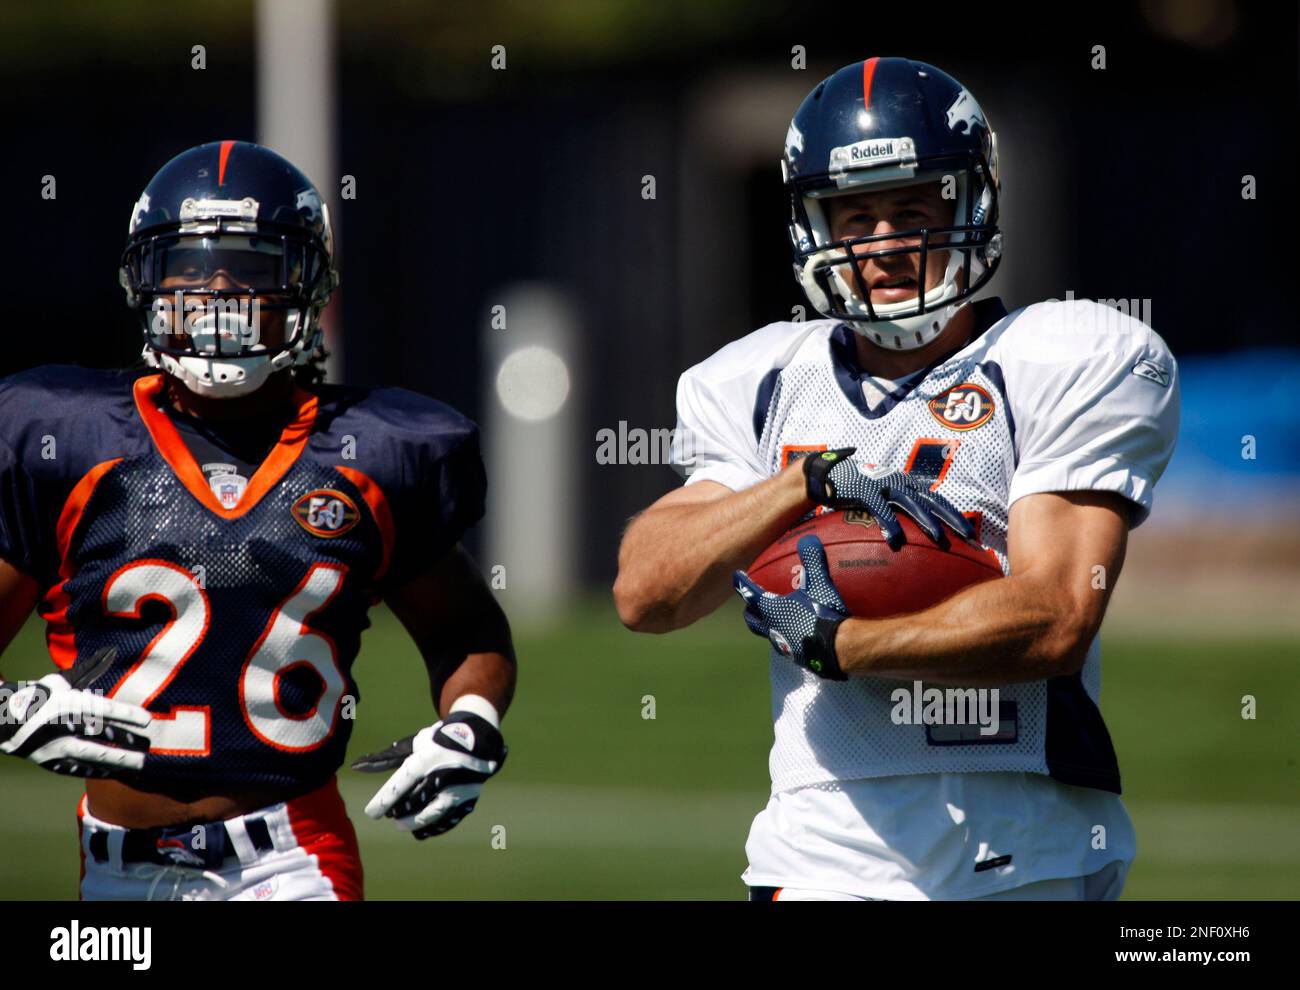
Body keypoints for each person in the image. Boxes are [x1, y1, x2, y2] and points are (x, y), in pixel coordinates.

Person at [614, 58, 1180, 900]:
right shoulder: (761, 378)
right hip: (818, 859)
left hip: (1028, 850)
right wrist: (805, 485)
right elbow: (646, 593)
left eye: (913, 208)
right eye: (857, 215)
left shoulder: (1066, 357)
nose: (885, 244)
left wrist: (844, 646)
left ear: (971, 204)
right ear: (815, 226)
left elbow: (1057, 614)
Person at [0, 140, 516, 901]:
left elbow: (463, 628)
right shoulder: (65, 443)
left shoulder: (376, 452)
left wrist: (471, 722)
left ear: (307, 288)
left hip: (291, 859)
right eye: (190, 268)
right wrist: (10, 711)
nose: (216, 290)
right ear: (145, 282)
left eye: (249, 268)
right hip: (114, 866)